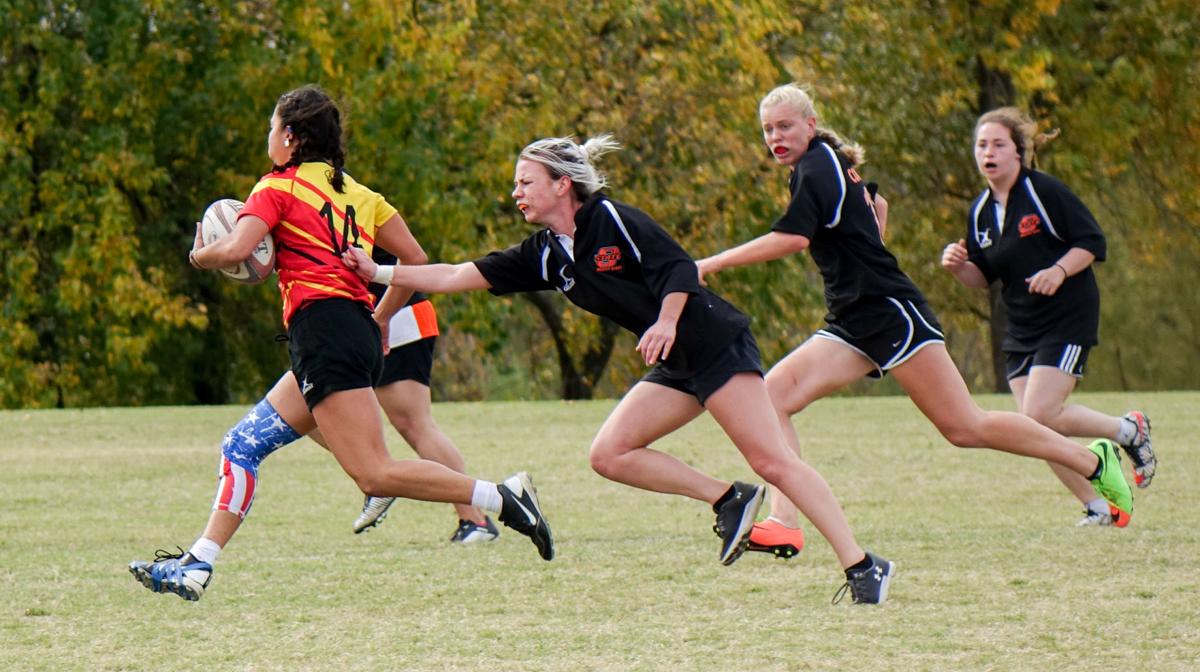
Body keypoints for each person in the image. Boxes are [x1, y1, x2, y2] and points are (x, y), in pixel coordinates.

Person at [345, 134, 897, 604]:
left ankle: (862, 565)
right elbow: (454, 274)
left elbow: (680, 268)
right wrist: (381, 272)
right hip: (675, 361)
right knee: (609, 454)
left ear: (562, 184)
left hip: (713, 343)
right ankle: (727, 498)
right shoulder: (547, 253)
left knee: (772, 461)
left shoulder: (609, 218)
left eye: (526, 181)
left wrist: (666, 321)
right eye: (516, 184)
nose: (516, 192)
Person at [129, 85, 550, 602]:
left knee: (375, 474)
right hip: (347, 330)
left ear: (290, 136)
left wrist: (200, 256)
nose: (268, 138)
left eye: (271, 128)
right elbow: (414, 261)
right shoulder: (358, 193)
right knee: (242, 445)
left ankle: (502, 498)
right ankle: (199, 563)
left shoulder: (276, 187)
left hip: (324, 335)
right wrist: (380, 317)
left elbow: (238, 249)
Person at [694, 83, 1135, 550]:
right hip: (854, 317)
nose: (775, 137)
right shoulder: (823, 162)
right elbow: (876, 205)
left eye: (785, 126)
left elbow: (794, 238)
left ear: (810, 124)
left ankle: (1093, 462)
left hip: (889, 313)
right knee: (773, 397)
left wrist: (711, 263)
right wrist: (867, 246)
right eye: (768, 130)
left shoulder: (816, 166)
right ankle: (785, 522)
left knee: (965, 426)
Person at [941, 107, 1156, 526]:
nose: (988, 152)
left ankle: (1127, 430)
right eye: (981, 145)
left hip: (1067, 317)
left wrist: (1058, 270)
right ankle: (1098, 506)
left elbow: (1091, 242)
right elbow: (982, 277)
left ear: (1018, 152)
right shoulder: (981, 211)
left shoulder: (1043, 192)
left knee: (1039, 413)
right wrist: (956, 267)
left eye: (998, 144)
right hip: (1022, 325)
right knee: (1033, 427)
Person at [310, 250, 500, 543]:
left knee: (416, 425)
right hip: (356, 324)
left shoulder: (367, 217)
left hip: (395, 316)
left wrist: (382, 316)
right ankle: (382, 476)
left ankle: (474, 519)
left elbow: (411, 255)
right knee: (304, 413)